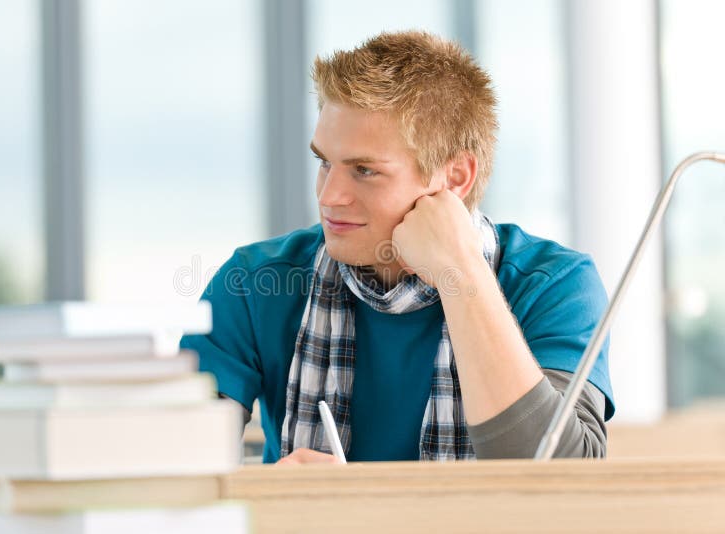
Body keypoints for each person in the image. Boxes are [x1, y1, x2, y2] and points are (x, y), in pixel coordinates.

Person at [181, 30, 614, 464]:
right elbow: (172, 460)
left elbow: (560, 477)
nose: (329, 196)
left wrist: (460, 270)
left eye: (365, 170)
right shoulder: (257, 282)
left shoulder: (555, 285)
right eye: (324, 162)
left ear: (456, 178)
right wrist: (270, 493)